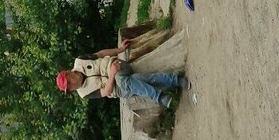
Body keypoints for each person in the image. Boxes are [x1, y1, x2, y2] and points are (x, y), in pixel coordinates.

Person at [55, 45, 190, 108]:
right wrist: (112, 75)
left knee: (123, 80)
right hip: (116, 89)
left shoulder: (80, 61)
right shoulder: (83, 93)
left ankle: (160, 96)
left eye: (69, 83)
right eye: (70, 89)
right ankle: (176, 80)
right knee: (137, 81)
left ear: (69, 73)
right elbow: (106, 91)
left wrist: (119, 50)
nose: (72, 87)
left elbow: (100, 53)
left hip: (118, 67)